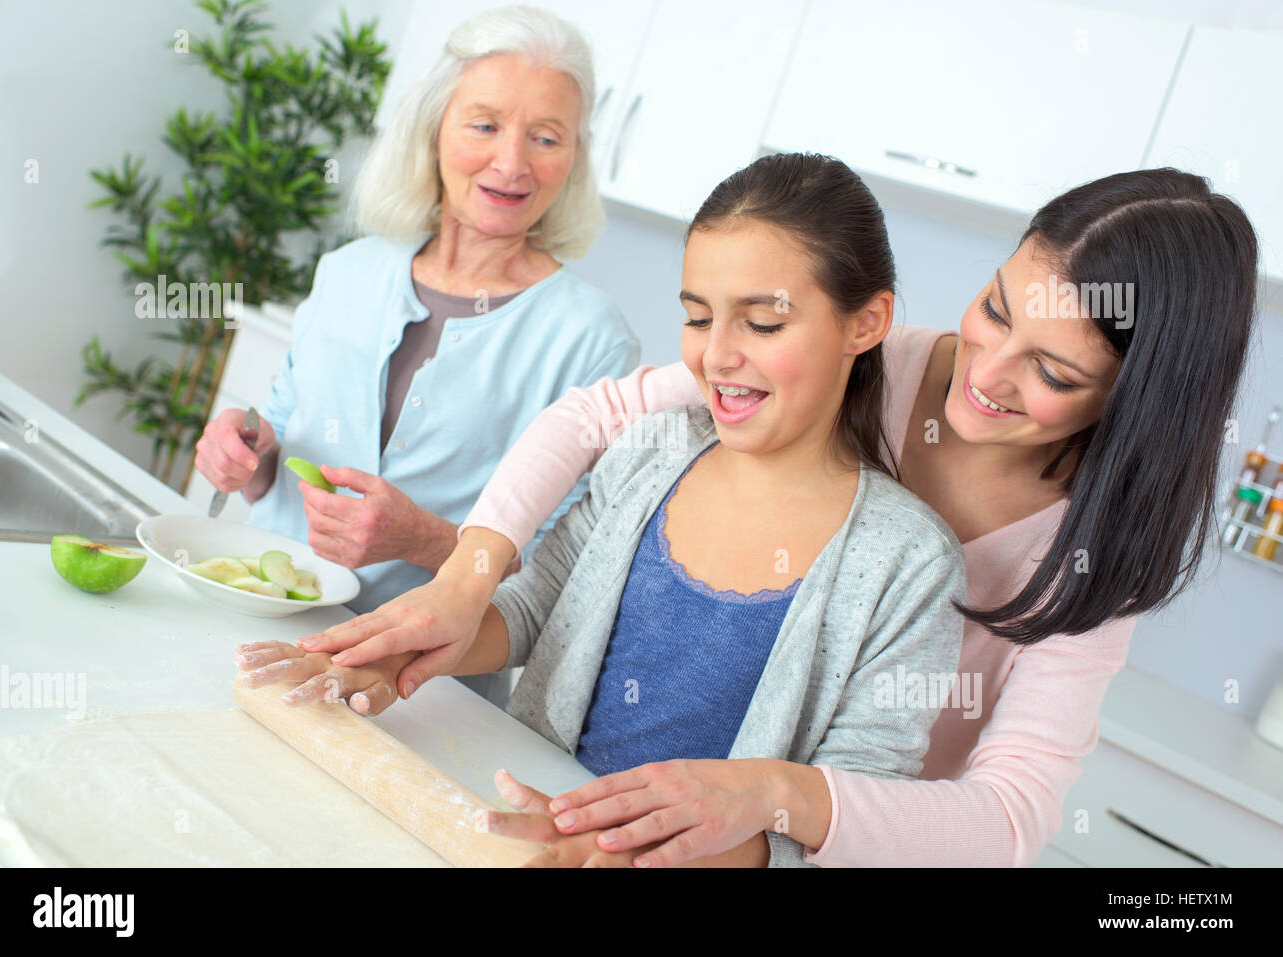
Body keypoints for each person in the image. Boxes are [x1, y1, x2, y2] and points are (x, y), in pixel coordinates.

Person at [275, 164, 1259, 867]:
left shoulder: (1082, 560)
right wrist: (460, 582)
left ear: (1135, 399)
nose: (987, 376)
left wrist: (766, 801)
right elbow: (601, 425)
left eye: (1051, 371)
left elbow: (1002, 817)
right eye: (995, 309)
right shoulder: (854, 363)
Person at [237, 152, 967, 867]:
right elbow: (532, 608)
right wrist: (405, 648)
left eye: (763, 324)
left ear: (866, 322)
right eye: (697, 317)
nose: (716, 357)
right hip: (528, 827)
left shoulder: (910, 561)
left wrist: (643, 849)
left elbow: (849, 820)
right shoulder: (654, 451)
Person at [193, 4, 639, 630]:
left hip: (420, 684)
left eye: (545, 137)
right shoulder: (348, 271)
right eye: (484, 125)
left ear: (574, 158)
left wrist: (420, 540)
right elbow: (281, 441)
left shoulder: (591, 340)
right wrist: (246, 451)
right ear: (433, 129)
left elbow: (558, 572)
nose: (511, 163)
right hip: (259, 619)